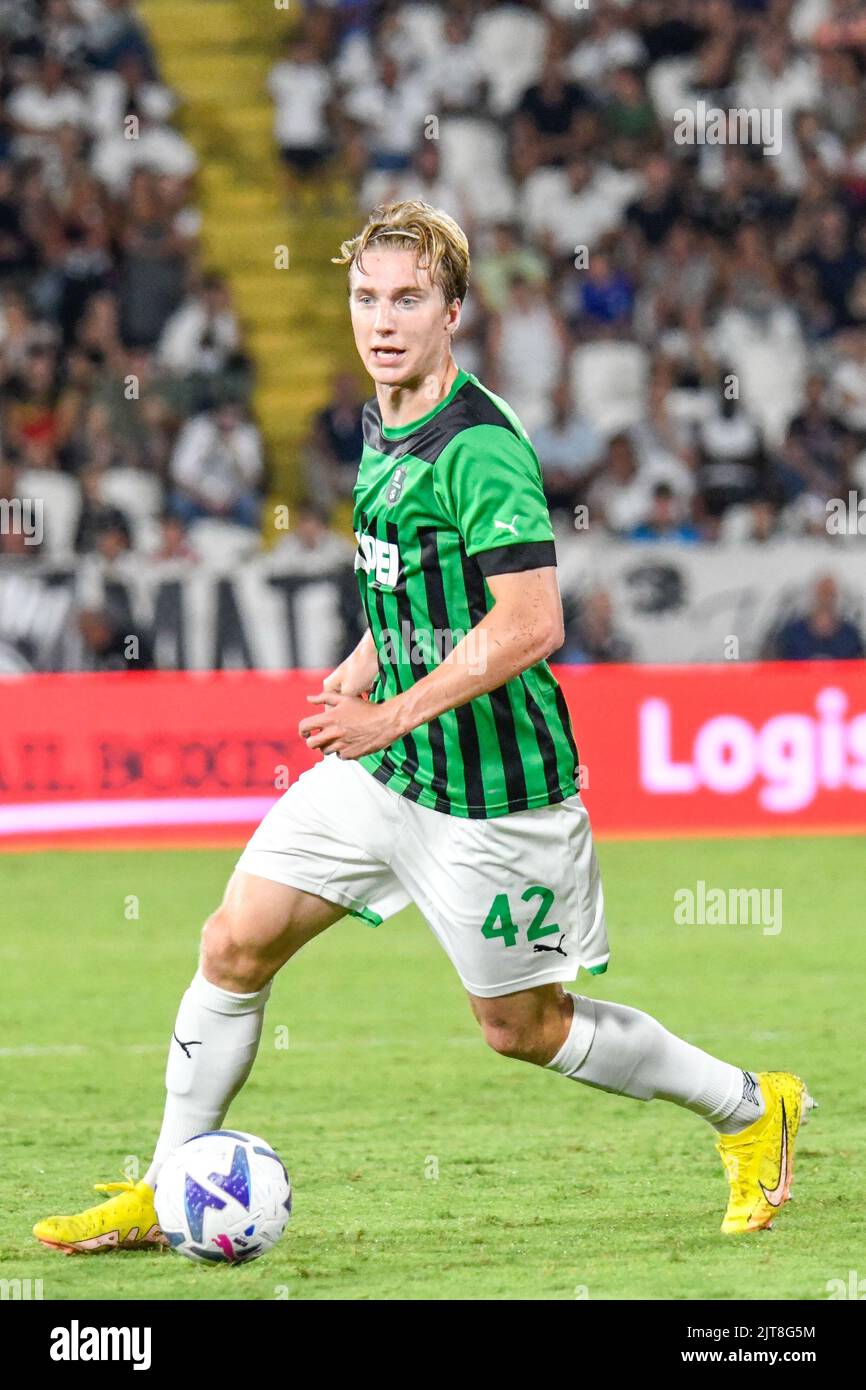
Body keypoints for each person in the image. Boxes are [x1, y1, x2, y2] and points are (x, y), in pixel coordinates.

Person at [34, 201, 814, 1257]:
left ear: (453, 312)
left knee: (521, 1030)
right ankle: (170, 1183)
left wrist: (384, 709)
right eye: (366, 298)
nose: (382, 320)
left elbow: (531, 623)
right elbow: (404, 583)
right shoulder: (380, 414)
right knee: (234, 940)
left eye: (408, 300)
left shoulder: (478, 446)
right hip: (388, 765)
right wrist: (360, 667)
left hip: (495, 794)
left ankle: (744, 1108)